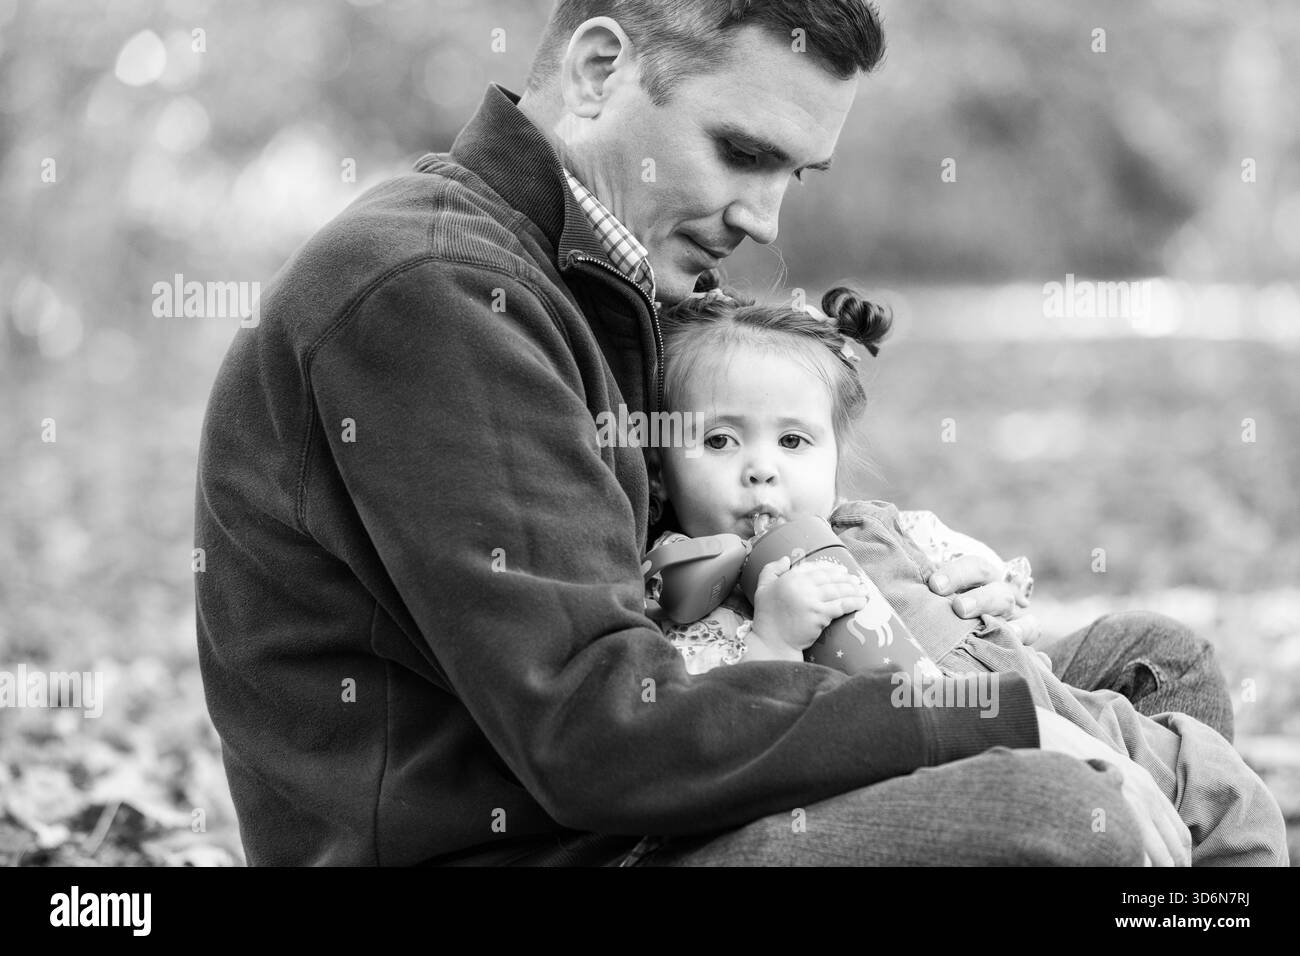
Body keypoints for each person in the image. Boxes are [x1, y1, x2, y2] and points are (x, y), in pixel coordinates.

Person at [195, 0, 1223, 866]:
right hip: (542, 839)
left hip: (666, 784)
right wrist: (971, 711)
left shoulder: (602, 275)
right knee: (1054, 814)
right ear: (600, 70)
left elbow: (691, 566)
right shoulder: (436, 291)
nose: (766, 219)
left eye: (796, 175)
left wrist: (900, 586)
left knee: (1154, 663)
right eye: (743, 153)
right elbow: (595, 731)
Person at [641, 284, 1288, 866]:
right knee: (1089, 811)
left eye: (793, 442)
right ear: (660, 469)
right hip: (936, 763)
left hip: (1037, 699)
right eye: (720, 441)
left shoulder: (871, 526)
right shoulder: (694, 614)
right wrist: (775, 641)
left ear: (837, 455)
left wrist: (997, 589)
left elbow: (986, 585)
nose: (760, 470)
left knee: (1215, 785)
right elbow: (731, 743)